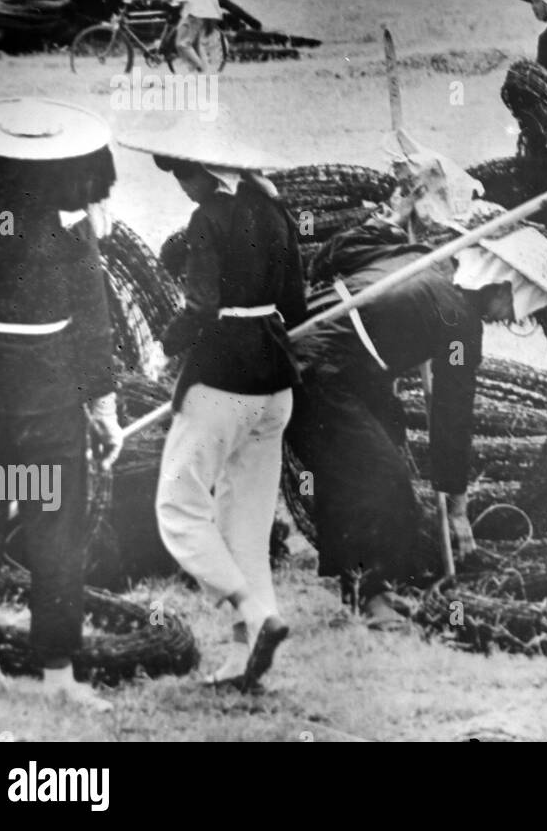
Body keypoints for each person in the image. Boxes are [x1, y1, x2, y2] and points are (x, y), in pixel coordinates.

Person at [286, 216, 547, 625]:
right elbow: (451, 416)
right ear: (502, 285)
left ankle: (360, 584)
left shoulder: (417, 256)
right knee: (381, 478)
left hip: (332, 366)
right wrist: (457, 506)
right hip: (317, 374)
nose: (512, 319)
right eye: (516, 307)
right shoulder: (460, 321)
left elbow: (336, 254)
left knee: (377, 447)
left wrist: (385, 225)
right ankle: (374, 597)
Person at [121, 132, 306, 689]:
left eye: (184, 174)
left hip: (222, 379)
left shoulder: (208, 219)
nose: (181, 186)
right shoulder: (276, 211)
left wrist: (164, 345)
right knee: (245, 523)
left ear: (209, 171)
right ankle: (243, 657)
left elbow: (201, 306)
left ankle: (254, 611)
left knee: (178, 508)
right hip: (275, 384)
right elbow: (295, 303)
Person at [0, 98, 122, 711]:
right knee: (55, 530)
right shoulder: (72, 230)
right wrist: (103, 411)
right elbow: (94, 327)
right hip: (50, 396)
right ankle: (57, 675)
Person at [130, 0, 223, 74]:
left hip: (195, 13)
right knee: (194, 44)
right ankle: (203, 69)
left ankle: (202, 70)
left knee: (182, 44)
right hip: (209, 13)